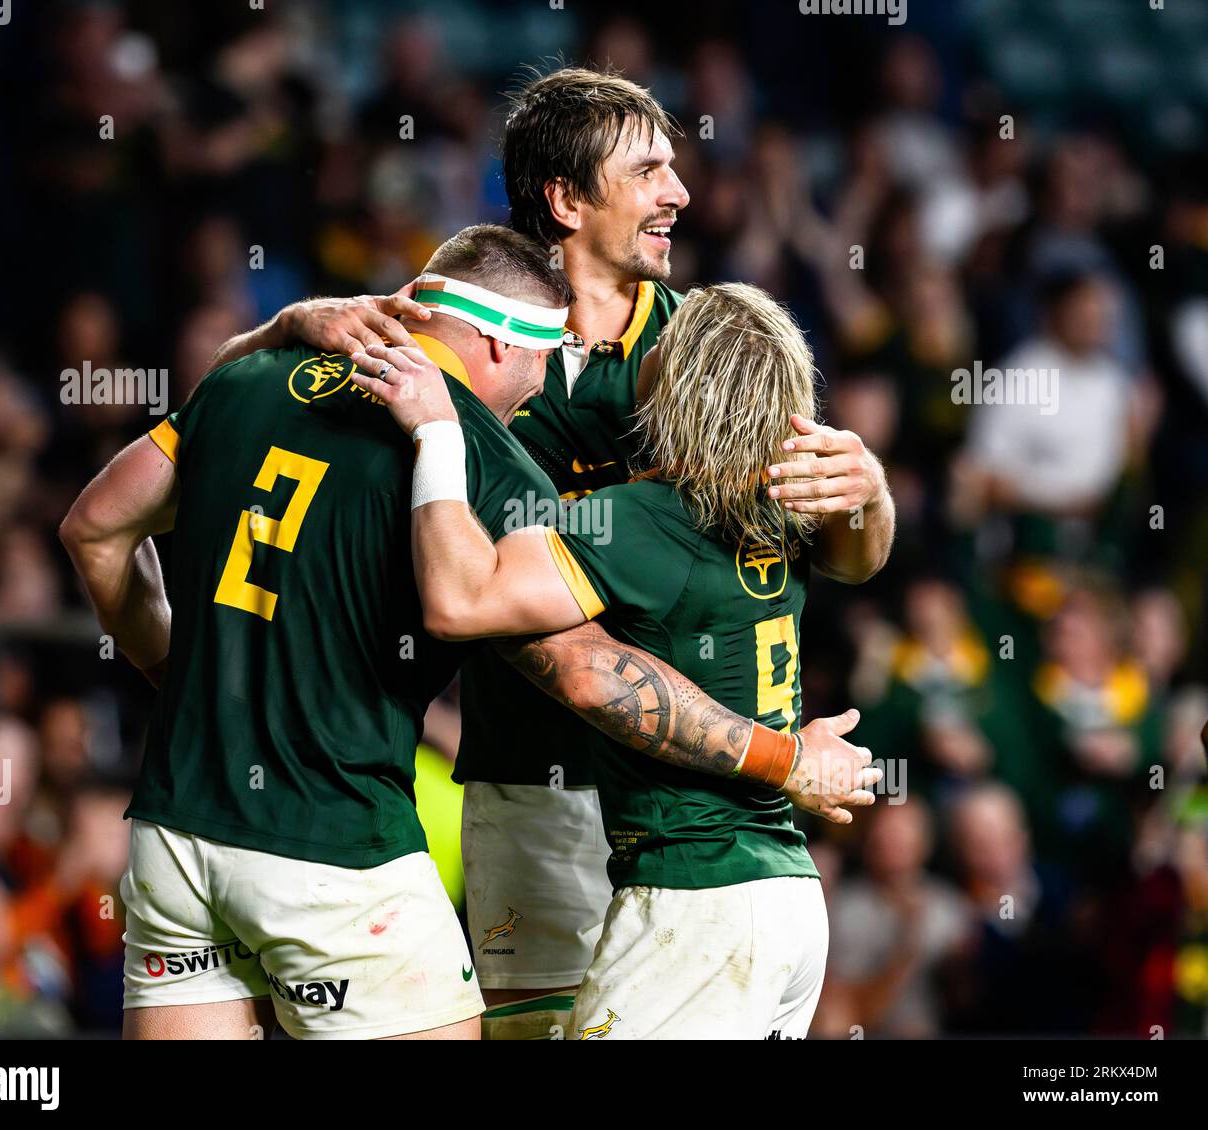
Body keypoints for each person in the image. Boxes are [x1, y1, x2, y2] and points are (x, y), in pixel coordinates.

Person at [205, 64, 894, 1039]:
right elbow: (234, 403)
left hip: (690, 803)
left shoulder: (705, 355)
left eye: (675, 167)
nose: (679, 192)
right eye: (648, 170)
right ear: (567, 200)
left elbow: (846, 555)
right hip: (531, 776)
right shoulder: (455, 324)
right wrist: (280, 326)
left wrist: (866, 491)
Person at [61, 225, 870, 1041]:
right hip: (335, 843)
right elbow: (586, 671)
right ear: (493, 341)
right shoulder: (492, 468)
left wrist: (170, 665)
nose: (544, 384)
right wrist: (787, 757)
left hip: (174, 831)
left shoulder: (248, 378)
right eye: (543, 355)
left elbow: (94, 530)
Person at [348, 281, 891, 1038]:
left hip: (697, 904)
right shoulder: (784, 508)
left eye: (666, 345)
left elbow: (459, 601)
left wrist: (439, 434)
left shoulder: (642, 521)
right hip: (788, 899)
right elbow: (862, 555)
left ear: (685, 381)